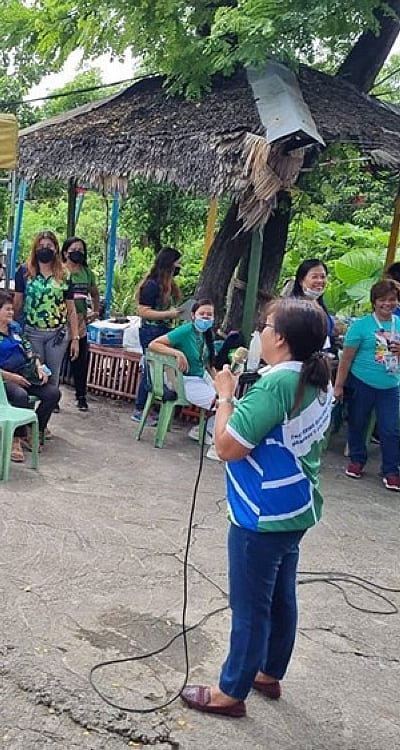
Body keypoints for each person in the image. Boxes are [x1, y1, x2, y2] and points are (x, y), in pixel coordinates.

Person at [179, 297, 334, 718]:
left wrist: (226, 397)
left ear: (279, 338)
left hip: (262, 512)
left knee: (250, 605)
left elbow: (228, 446)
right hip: (296, 505)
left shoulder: (278, 384)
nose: (260, 332)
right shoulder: (314, 376)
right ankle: (268, 671)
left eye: (266, 325)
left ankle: (231, 690)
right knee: (281, 595)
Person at [333, 280, 400, 491]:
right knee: (357, 423)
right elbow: (346, 359)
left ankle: (391, 470)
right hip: (362, 381)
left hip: (390, 384)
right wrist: (339, 386)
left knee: (390, 429)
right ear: (374, 302)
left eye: (392, 300)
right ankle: (357, 459)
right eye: (382, 300)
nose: (387, 304)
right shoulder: (361, 326)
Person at [0, 289, 61, 462]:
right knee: (20, 395)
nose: (12, 313)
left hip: (24, 373)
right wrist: (13, 378)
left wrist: (38, 367)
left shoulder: (15, 329)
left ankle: (34, 429)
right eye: (7, 309)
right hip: (0, 379)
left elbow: (29, 351)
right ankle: (16, 440)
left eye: (12, 309)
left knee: (53, 394)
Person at [148, 299, 220, 452]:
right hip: (183, 381)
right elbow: (154, 344)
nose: (206, 318)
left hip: (200, 379)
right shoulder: (186, 331)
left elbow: (208, 365)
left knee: (233, 402)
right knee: (222, 404)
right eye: (202, 314)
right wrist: (177, 353)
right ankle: (215, 442)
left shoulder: (206, 335)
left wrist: (221, 383)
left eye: (209, 315)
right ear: (193, 316)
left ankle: (205, 429)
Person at [12, 231, 80, 389]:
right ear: (35, 249)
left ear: (56, 248)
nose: (45, 249)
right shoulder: (24, 272)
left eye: (49, 246)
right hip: (32, 331)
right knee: (36, 372)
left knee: (53, 375)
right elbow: (18, 303)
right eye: (41, 246)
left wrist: (75, 337)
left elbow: (71, 309)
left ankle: (49, 408)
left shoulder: (64, 274)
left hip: (57, 334)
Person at [132, 248, 184, 421]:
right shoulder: (152, 285)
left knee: (162, 368)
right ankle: (140, 408)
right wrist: (168, 314)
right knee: (151, 367)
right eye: (177, 262)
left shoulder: (169, 285)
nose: (179, 266)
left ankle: (153, 406)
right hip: (151, 331)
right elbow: (143, 311)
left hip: (165, 329)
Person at [63, 236, 100, 412]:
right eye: (74, 250)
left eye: (81, 250)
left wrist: (96, 310)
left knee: (80, 360)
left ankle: (81, 396)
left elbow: (94, 293)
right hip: (61, 321)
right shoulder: (60, 271)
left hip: (81, 322)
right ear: (65, 252)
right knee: (58, 358)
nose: (77, 253)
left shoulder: (87, 273)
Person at [284, 259, 336, 352]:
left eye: (323, 277)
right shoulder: (292, 309)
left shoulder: (320, 306)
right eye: (314, 277)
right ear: (301, 280)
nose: (320, 281)